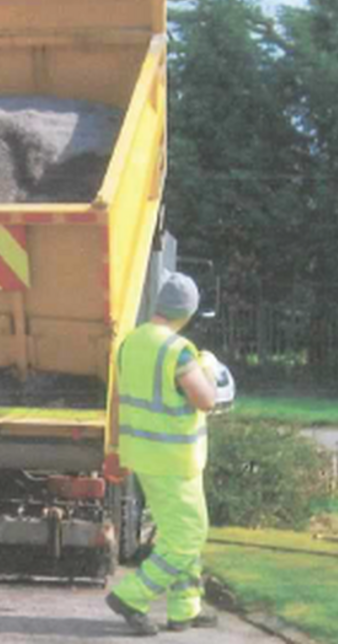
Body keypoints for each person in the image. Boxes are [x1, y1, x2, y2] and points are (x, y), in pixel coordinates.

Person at [106, 272, 219, 637]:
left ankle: (185, 608)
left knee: (177, 532)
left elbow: (117, 401)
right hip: (175, 459)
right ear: (187, 312)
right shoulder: (180, 351)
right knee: (188, 535)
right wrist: (209, 369)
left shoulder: (129, 343)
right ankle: (131, 596)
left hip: (144, 455)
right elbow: (206, 400)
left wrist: (114, 450)